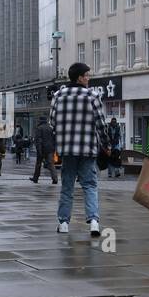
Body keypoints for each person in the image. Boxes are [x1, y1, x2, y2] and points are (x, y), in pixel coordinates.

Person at [49, 62, 107, 236]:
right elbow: (101, 124)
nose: (89, 79)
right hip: (88, 149)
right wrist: (106, 145)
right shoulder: (92, 95)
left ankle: (64, 223)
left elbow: (52, 123)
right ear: (79, 77)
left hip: (67, 149)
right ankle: (94, 222)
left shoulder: (58, 95)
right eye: (87, 75)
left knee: (67, 186)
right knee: (90, 185)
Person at [31, 115, 58, 184]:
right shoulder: (50, 128)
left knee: (38, 164)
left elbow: (38, 140)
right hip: (50, 149)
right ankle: (55, 178)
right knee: (51, 164)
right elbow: (54, 139)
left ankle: (35, 178)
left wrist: (39, 150)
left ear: (40, 121)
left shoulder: (39, 128)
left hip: (42, 149)